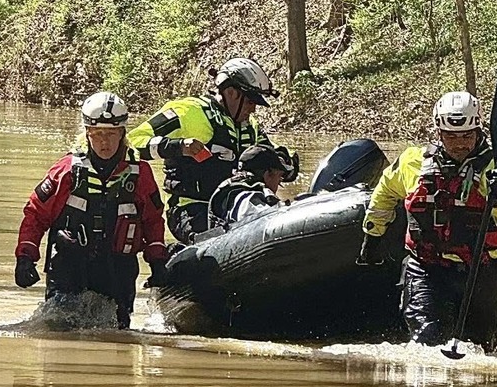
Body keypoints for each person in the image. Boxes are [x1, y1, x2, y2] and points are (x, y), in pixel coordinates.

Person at [359, 91, 497, 350]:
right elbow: (384, 193)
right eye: (451, 136)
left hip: (478, 269)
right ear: (439, 133)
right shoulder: (413, 162)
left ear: (477, 131)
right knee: (426, 342)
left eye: (466, 136)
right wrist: (373, 235)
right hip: (425, 267)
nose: (459, 144)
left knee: (483, 349)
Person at [15, 91, 168, 329]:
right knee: (58, 331)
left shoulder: (140, 174)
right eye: (97, 134)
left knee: (117, 336)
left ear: (122, 133)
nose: (104, 142)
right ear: (87, 133)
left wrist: (157, 262)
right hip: (70, 266)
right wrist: (25, 257)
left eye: (111, 134)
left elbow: (153, 221)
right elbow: (36, 214)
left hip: (117, 270)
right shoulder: (66, 171)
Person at [127, 57, 297, 243]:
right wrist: (178, 147)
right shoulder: (189, 112)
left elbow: (272, 157)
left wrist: (284, 165)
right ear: (231, 92)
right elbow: (132, 142)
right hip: (192, 209)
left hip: (238, 206)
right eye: (250, 101)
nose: (254, 109)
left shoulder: (250, 127)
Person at [207, 145, 294, 230]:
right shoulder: (247, 198)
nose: (279, 181)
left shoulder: (237, 193)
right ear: (267, 174)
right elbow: (262, 224)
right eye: (279, 176)